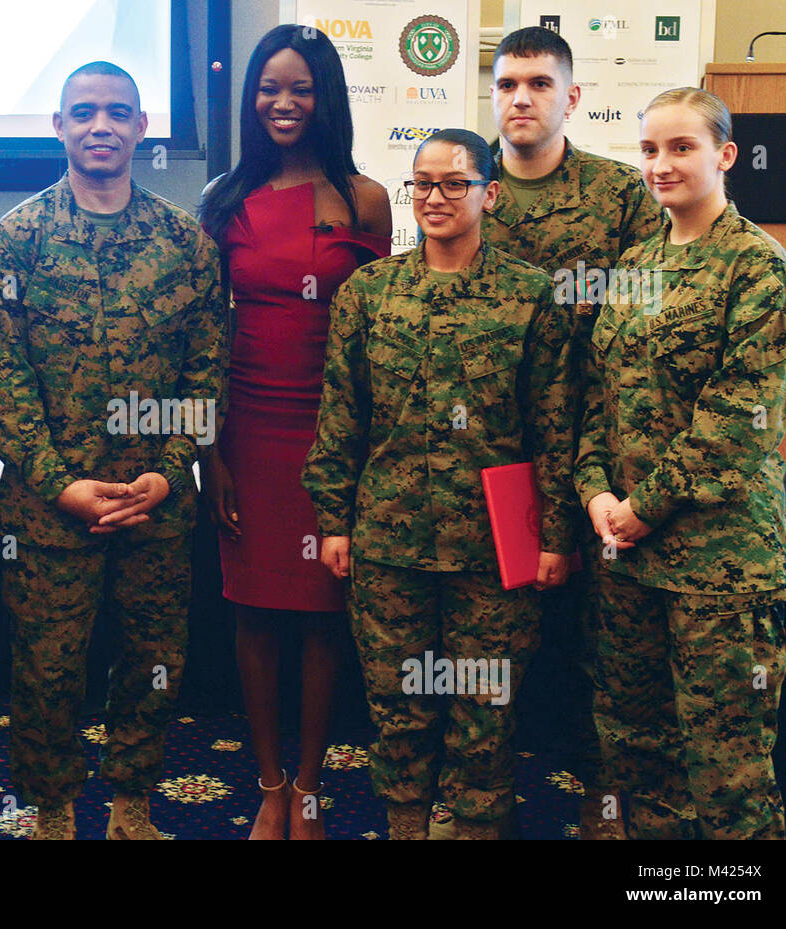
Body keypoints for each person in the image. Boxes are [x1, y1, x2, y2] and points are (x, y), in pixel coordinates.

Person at [0, 61, 227, 840]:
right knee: (45, 672)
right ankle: (51, 812)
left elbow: (207, 372)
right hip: (49, 511)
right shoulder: (14, 240)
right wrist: (58, 482)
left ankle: (131, 806)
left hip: (156, 504)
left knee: (153, 664)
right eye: (84, 112)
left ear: (143, 127)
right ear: (59, 126)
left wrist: (168, 467)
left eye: (118, 112)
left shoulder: (185, 242)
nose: (101, 126)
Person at [303, 129, 576, 840]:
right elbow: (341, 415)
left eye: (455, 183)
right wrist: (333, 522)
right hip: (389, 543)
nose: (435, 197)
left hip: (494, 552)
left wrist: (555, 538)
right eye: (422, 183)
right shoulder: (370, 292)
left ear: (490, 193)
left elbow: (553, 427)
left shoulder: (529, 295)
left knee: (485, 713)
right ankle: (405, 825)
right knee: (399, 709)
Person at [575, 87, 786, 840]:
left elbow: (739, 420)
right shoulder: (634, 262)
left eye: (681, 148)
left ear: (724, 155)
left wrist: (644, 505)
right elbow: (598, 394)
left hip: (717, 563)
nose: (661, 165)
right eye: (649, 150)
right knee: (638, 755)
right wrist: (596, 489)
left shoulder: (759, 269)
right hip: (628, 560)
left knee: (727, 769)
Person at [198, 23, 390, 840]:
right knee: (253, 608)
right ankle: (269, 782)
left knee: (321, 608)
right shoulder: (224, 200)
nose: (283, 102)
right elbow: (205, 335)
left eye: (300, 87)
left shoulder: (365, 199)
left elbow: (377, 332)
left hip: (333, 427)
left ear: (326, 97)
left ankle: (310, 785)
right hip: (248, 423)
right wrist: (214, 457)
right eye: (268, 88)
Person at [482, 25, 662, 839]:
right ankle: (484, 793)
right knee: (490, 630)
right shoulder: (461, 181)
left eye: (539, 84)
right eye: (509, 84)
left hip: (595, 447)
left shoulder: (621, 196)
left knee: (604, 637)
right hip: (488, 450)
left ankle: (605, 795)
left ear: (572, 97)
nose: (522, 98)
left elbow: (646, 327)